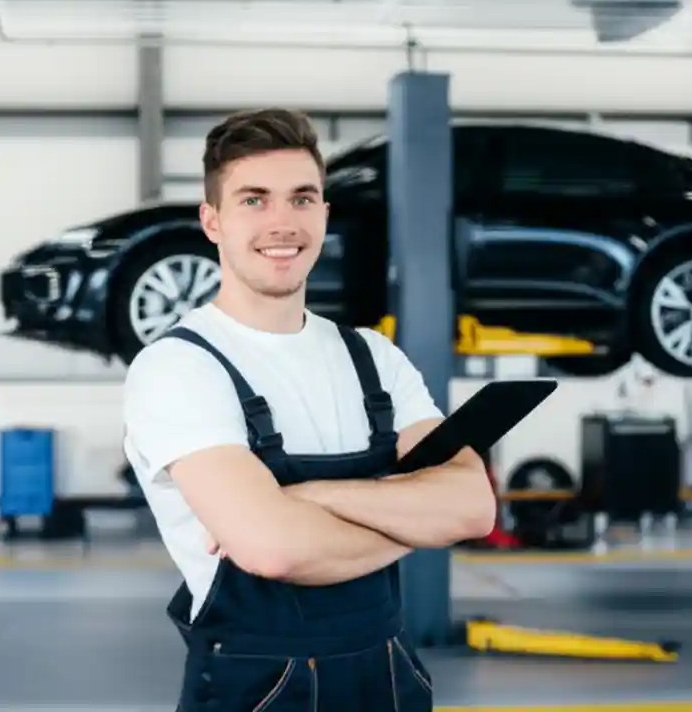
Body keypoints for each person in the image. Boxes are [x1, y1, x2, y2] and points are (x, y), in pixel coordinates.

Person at [122, 108, 497, 712]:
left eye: (302, 199)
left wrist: (312, 498)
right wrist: (412, 517)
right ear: (212, 221)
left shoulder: (373, 356)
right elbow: (275, 550)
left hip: (390, 675)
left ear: (324, 212)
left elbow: (472, 507)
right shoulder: (179, 367)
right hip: (260, 688)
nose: (282, 222)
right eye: (253, 200)